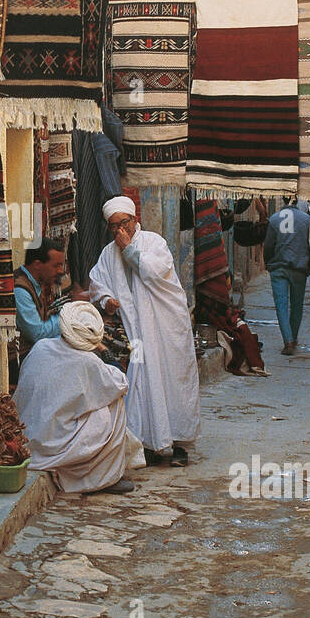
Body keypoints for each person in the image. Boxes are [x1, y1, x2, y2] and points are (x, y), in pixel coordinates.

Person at [89, 196, 200, 466]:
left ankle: (179, 444)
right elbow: (96, 281)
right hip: (135, 330)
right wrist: (106, 300)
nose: (118, 230)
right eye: (113, 226)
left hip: (164, 326)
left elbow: (154, 272)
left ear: (134, 220)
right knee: (141, 382)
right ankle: (148, 443)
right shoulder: (108, 252)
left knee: (171, 380)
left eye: (123, 224)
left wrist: (129, 249)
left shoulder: (154, 242)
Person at [14, 301, 144, 494]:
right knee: (114, 401)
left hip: (28, 439)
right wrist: (101, 349)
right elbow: (121, 380)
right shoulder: (88, 362)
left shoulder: (40, 347)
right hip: (57, 443)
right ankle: (105, 477)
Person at [263, 196, 310, 356]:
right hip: (299, 268)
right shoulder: (306, 219)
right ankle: (293, 338)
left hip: (278, 268)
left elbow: (268, 246)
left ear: (284, 201)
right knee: (296, 306)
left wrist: (268, 263)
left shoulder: (274, 219)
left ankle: (287, 341)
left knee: (281, 305)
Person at [13, 240, 66, 364]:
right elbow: (37, 334)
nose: (60, 271)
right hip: (18, 359)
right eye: (55, 265)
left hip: (33, 351)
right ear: (37, 264)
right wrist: (67, 317)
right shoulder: (20, 290)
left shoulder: (35, 282)